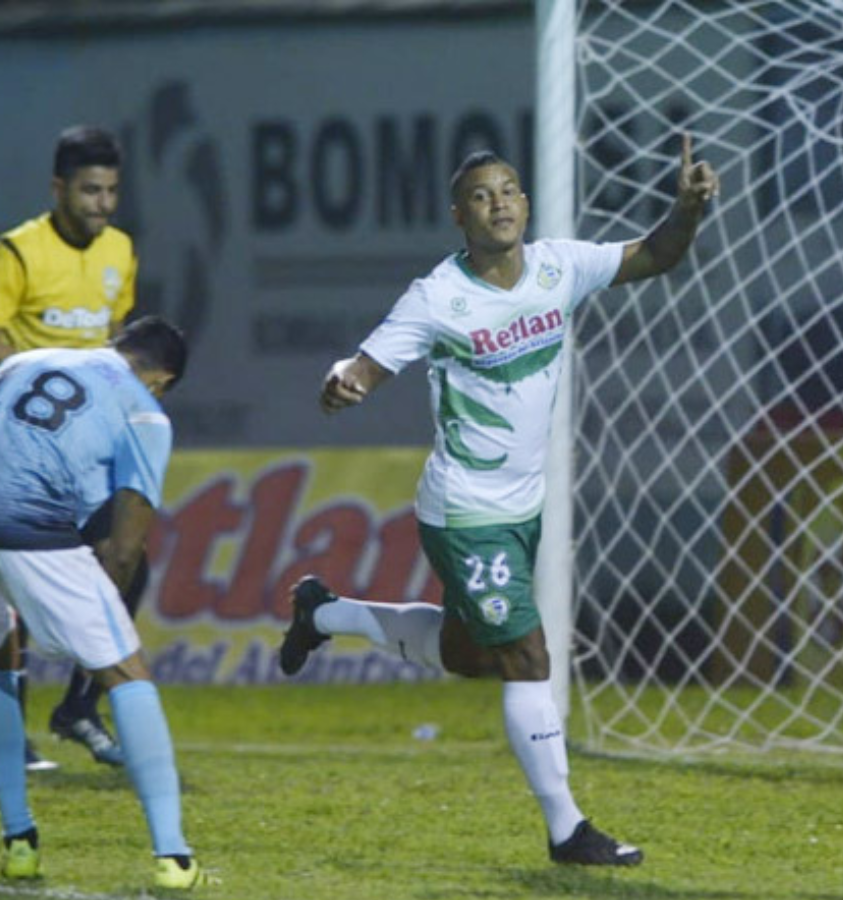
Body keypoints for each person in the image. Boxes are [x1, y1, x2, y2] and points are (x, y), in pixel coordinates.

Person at [280, 135, 719, 866]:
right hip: (465, 510)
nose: (500, 204)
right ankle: (567, 831)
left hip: (521, 507)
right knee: (526, 656)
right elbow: (369, 361)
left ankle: (323, 612)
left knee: (467, 655)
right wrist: (344, 383)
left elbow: (656, 255)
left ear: (524, 200)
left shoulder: (558, 267)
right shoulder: (438, 296)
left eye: (509, 190)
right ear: (460, 215)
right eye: (482, 196)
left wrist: (688, 210)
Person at [0, 317, 214, 889]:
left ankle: (19, 842)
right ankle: (173, 856)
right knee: (126, 669)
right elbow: (124, 549)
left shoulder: (21, 362)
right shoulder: (145, 409)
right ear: (163, 379)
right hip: (22, 516)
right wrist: (100, 628)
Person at [0, 124, 139, 770]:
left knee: (126, 561)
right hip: (21, 449)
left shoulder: (120, 249)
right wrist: (41, 380)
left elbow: (116, 339)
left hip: (87, 450)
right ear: (59, 188)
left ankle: (79, 708)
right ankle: (14, 733)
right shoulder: (18, 252)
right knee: (20, 595)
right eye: (91, 191)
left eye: (112, 191)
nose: (103, 204)